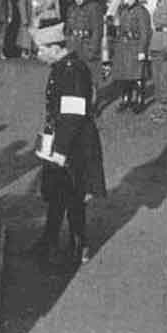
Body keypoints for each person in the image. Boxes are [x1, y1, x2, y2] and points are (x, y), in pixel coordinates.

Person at [32, 23, 106, 267]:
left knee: (73, 197)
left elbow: (73, 115)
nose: (37, 54)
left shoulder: (72, 71)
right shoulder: (61, 67)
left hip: (74, 145)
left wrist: (61, 151)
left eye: (41, 49)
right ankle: (49, 241)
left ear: (55, 48)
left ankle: (79, 246)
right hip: (62, 140)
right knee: (56, 194)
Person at [110, 0, 152, 112]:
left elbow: (145, 33)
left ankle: (139, 101)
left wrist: (142, 51)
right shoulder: (124, 10)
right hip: (124, 47)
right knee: (124, 75)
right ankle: (126, 99)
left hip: (135, 46)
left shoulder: (142, 11)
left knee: (138, 76)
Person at [65, 0, 104, 95]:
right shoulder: (72, 9)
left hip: (88, 46)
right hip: (75, 47)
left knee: (91, 77)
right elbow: (68, 29)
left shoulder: (94, 8)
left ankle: (93, 102)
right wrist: (68, 45)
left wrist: (94, 49)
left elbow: (98, 31)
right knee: (76, 77)